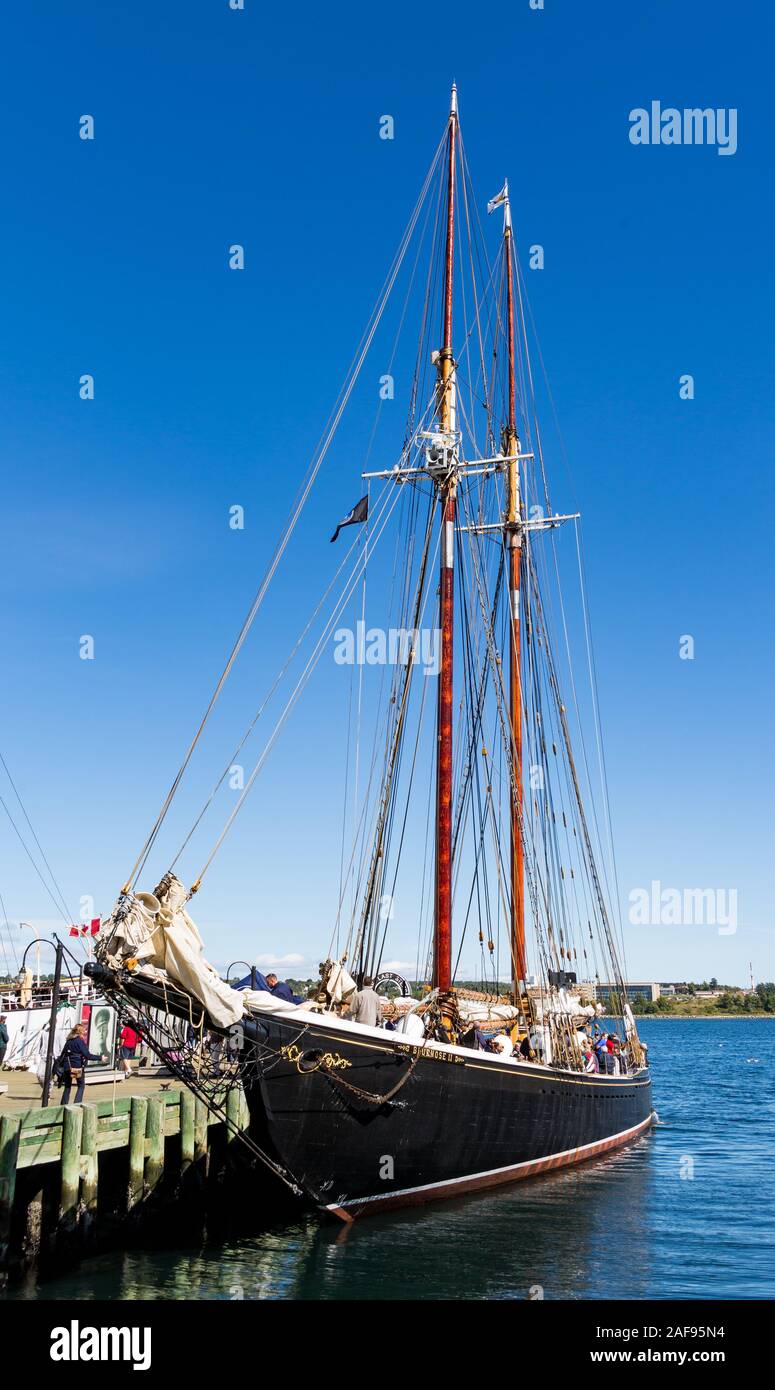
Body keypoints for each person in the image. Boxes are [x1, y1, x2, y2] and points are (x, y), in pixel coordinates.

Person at [59, 1023, 106, 1105]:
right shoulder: (79, 1041)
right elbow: (87, 1055)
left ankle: (63, 1105)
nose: (85, 1032)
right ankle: (77, 1104)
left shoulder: (68, 1041)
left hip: (67, 1066)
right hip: (77, 1066)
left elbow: (63, 1054)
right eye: (84, 1031)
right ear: (80, 1032)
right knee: (81, 1086)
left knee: (67, 1087)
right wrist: (100, 1058)